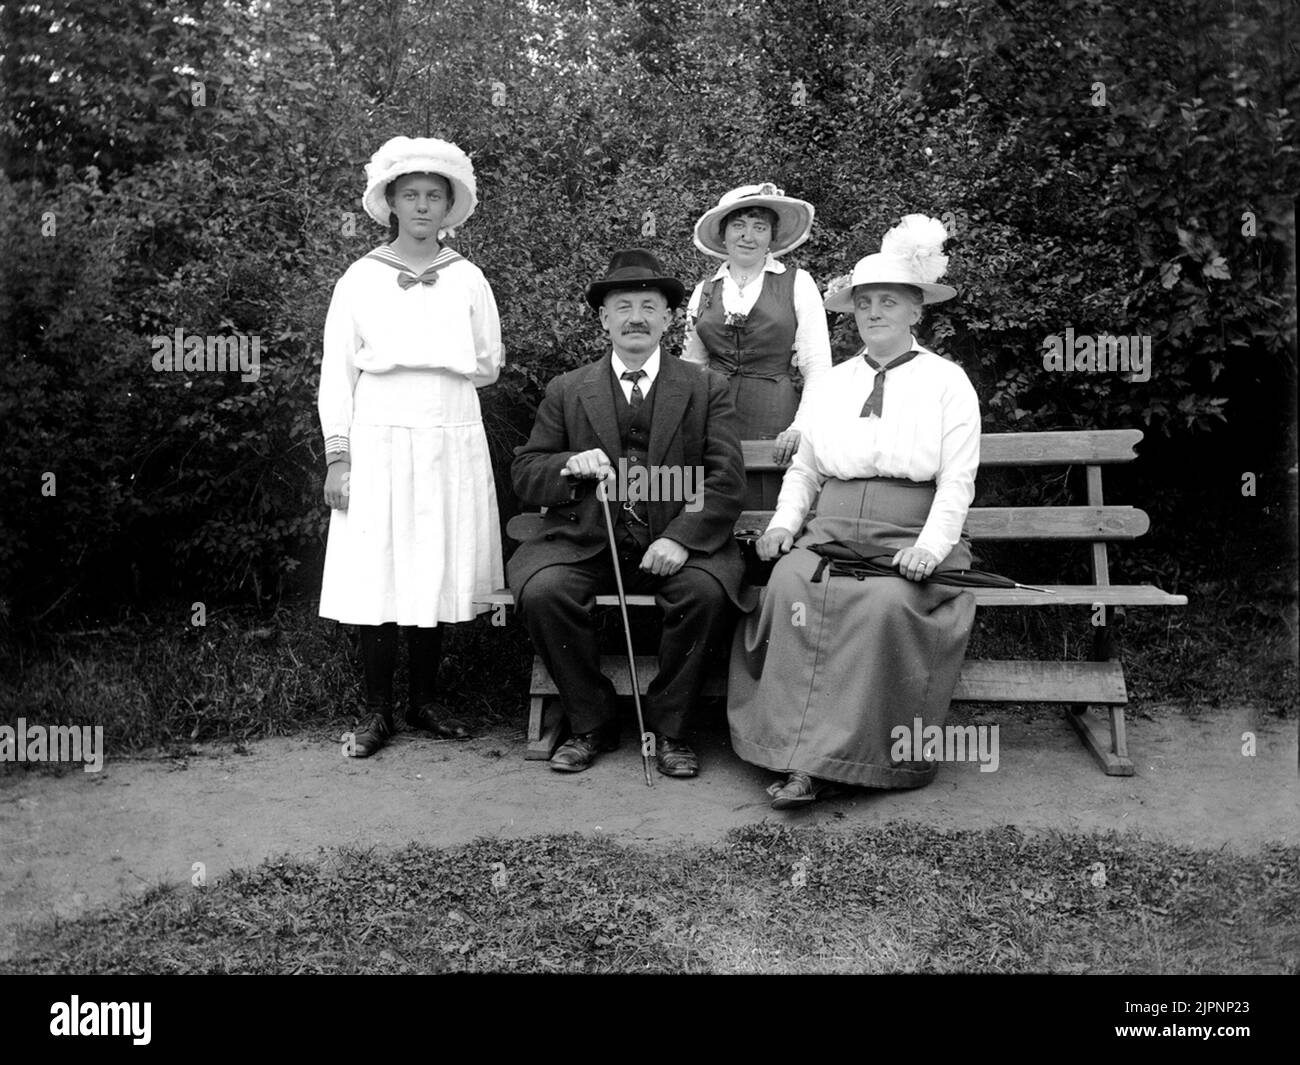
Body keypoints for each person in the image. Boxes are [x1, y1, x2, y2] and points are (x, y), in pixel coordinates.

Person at [727, 214, 980, 808]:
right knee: (791, 586)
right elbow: (807, 470)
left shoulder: (949, 382)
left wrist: (929, 548)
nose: (874, 313)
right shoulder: (835, 384)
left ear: (916, 311)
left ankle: (849, 760)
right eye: (864, 304)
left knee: (883, 603)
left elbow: (957, 481)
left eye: (888, 302)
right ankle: (790, 753)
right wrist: (786, 525)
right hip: (830, 530)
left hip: (908, 533)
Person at [508, 249, 750, 777]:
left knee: (706, 593)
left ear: (668, 319)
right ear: (604, 319)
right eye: (623, 306)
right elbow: (526, 472)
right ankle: (590, 723)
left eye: (648, 306)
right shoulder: (568, 389)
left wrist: (684, 536)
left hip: (677, 541)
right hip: (588, 539)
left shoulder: (707, 388)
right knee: (544, 591)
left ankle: (672, 731)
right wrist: (569, 465)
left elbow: (727, 477)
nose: (635, 317)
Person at [318, 135, 504, 758]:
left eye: (434, 196)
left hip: (450, 424)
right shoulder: (360, 278)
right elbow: (337, 372)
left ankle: (423, 701)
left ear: (450, 206)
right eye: (411, 196)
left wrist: (437, 377)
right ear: (391, 202)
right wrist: (338, 456)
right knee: (383, 564)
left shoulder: (468, 278)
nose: (422, 206)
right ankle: (376, 711)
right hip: (379, 429)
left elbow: (488, 362)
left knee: (435, 560)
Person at [682, 183, 833, 508]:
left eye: (759, 227)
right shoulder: (704, 291)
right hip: (715, 418)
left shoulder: (798, 283)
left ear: (771, 237)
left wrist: (800, 427)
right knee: (714, 502)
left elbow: (818, 367)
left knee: (770, 502)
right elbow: (691, 369)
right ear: (723, 234)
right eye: (738, 225)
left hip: (775, 417)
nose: (747, 236)